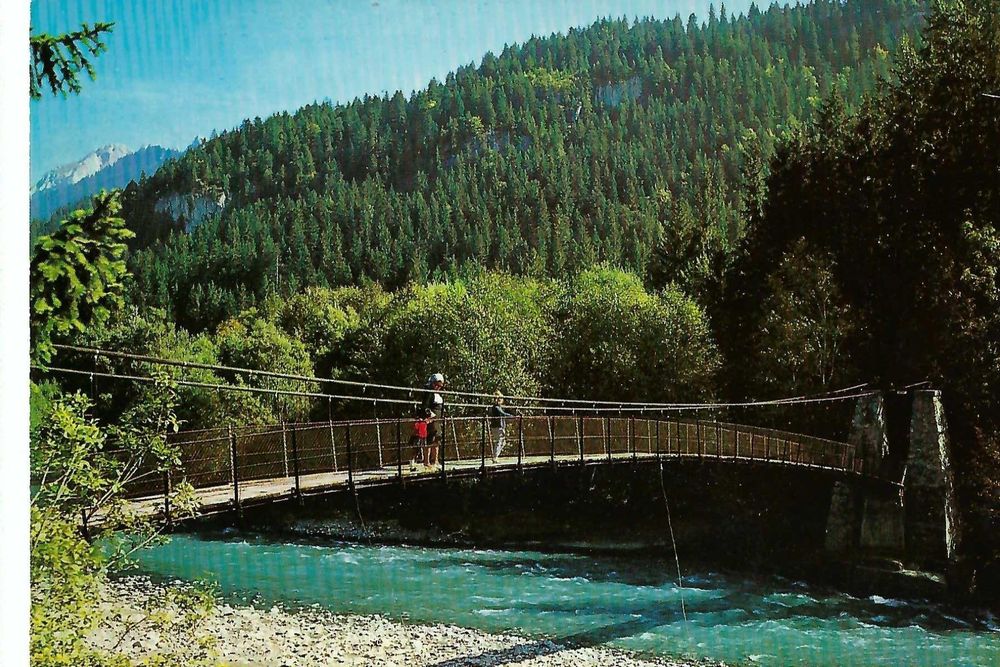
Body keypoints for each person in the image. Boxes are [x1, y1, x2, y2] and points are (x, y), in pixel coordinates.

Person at [422, 373, 445, 467]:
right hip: (432, 420)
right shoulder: (429, 393)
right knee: (430, 439)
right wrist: (429, 415)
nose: (438, 387)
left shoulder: (438, 395)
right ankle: (426, 462)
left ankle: (435, 461)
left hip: (438, 420)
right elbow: (424, 406)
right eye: (437, 384)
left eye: (440, 385)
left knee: (437, 439)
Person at [488, 391, 514, 462]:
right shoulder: (496, 407)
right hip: (497, 427)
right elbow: (503, 413)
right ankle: (495, 457)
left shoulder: (496, 407)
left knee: (502, 441)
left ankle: (495, 456)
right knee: (499, 441)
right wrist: (511, 416)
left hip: (497, 427)